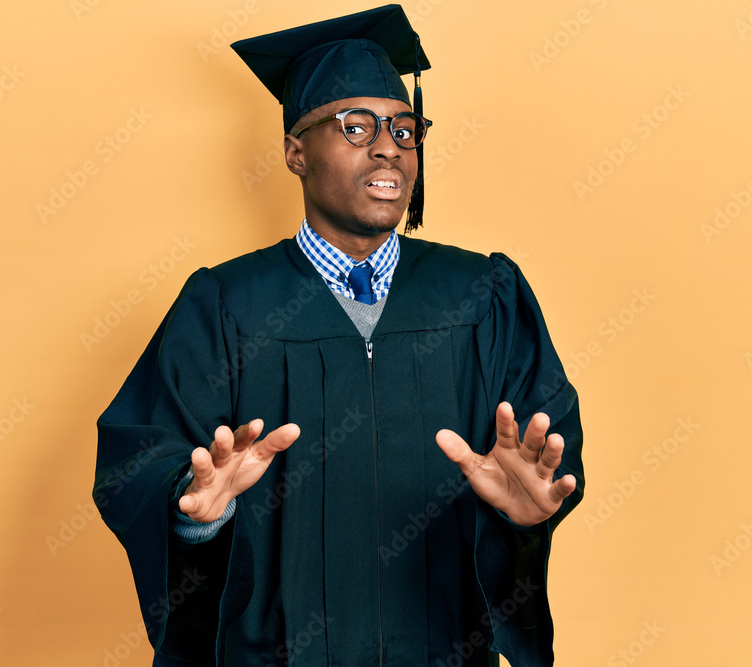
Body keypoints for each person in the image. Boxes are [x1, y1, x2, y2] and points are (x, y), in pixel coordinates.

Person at [94, 5, 584, 666]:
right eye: (355, 126)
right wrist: (193, 513)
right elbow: (137, 459)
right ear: (296, 152)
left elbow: (543, 452)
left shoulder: (481, 294)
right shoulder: (226, 303)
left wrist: (522, 518)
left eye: (405, 129)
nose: (388, 146)